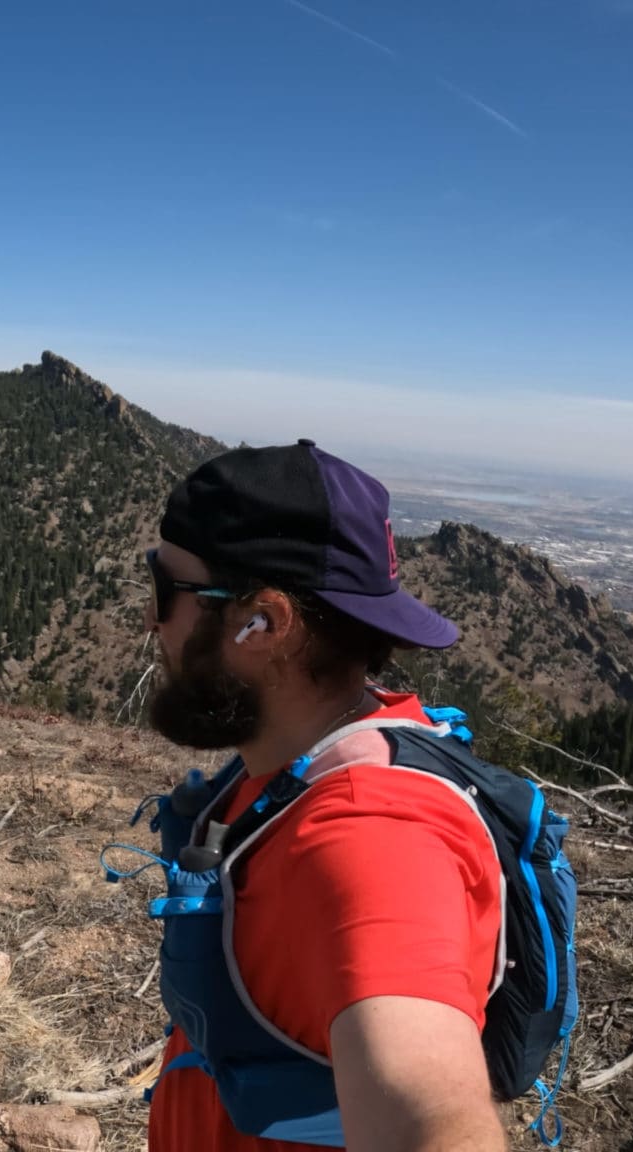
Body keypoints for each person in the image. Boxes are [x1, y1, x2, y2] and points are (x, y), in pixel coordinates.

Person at [135, 439, 512, 1152]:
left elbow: (431, 1116)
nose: (150, 621)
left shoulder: (372, 835)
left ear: (265, 623)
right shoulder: (305, 759)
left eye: (164, 589)